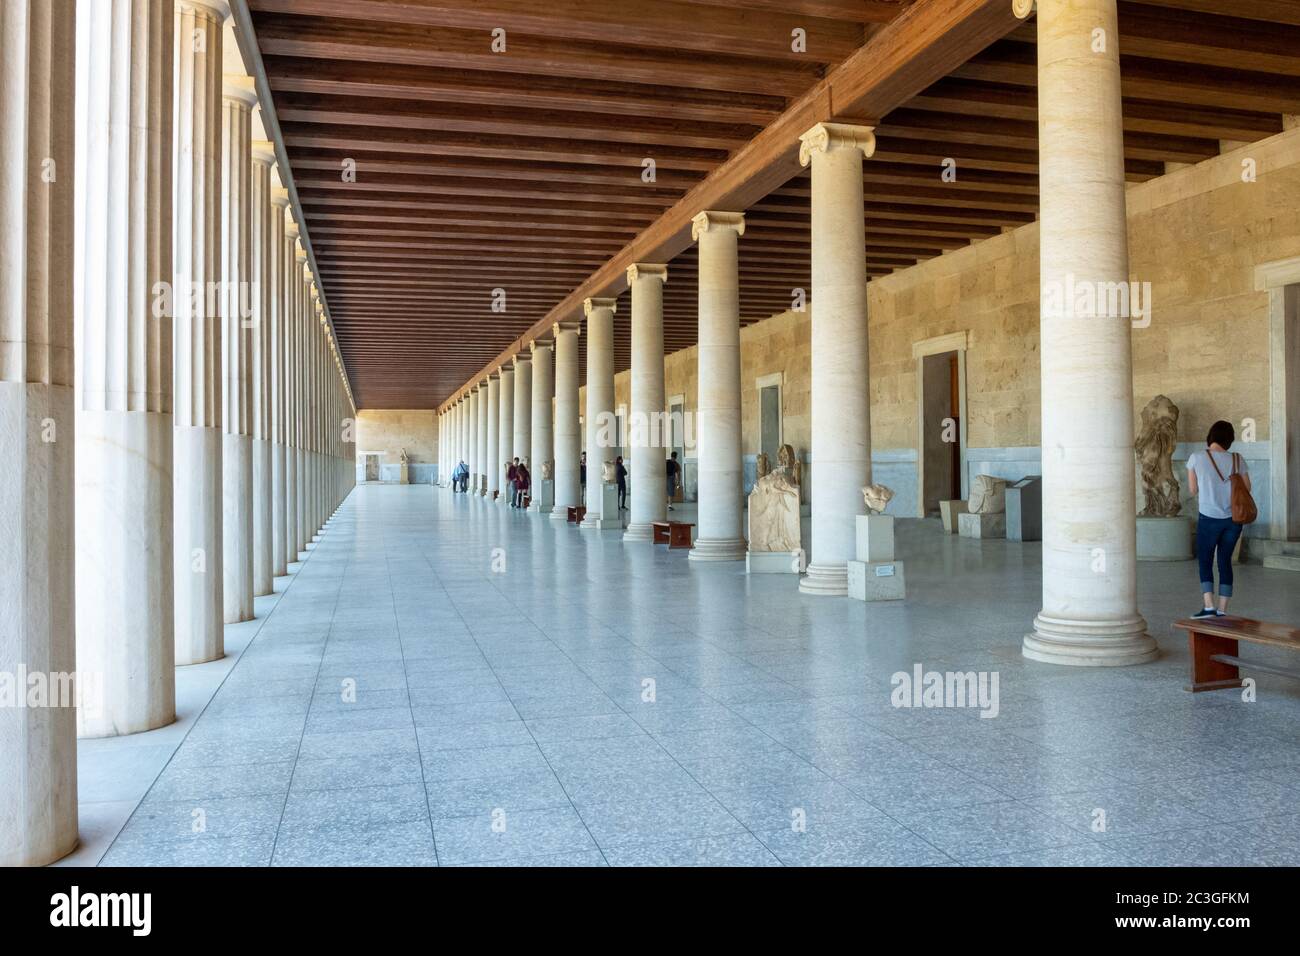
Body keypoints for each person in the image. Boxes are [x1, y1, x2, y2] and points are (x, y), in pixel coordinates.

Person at [1186, 420, 1250, 618]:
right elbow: (1247, 489)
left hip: (1208, 517)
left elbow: (1193, 489)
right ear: (1229, 439)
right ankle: (1222, 609)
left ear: (1211, 436)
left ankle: (1208, 606)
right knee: (1225, 562)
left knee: (1205, 561)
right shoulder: (1238, 459)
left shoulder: (1196, 458)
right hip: (1233, 520)